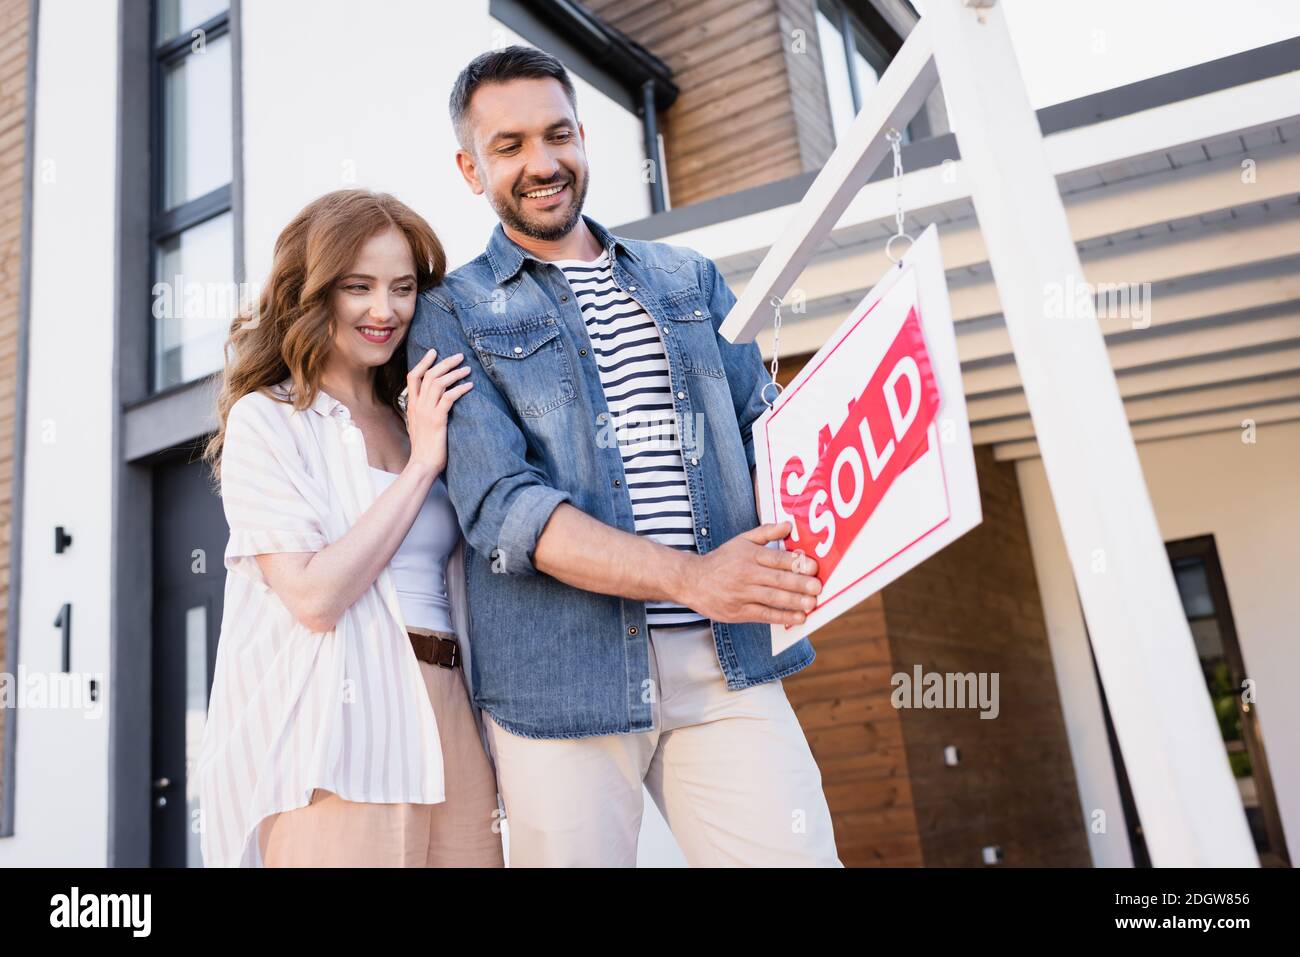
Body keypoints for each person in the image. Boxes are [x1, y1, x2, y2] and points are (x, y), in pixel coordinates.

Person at [408, 46, 842, 867]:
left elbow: (771, 430)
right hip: (562, 689)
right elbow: (505, 510)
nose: (543, 163)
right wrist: (691, 575)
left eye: (558, 134)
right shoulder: (450, 312)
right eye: (509, 147)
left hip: (728, 663)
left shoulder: (690, 279)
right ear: (471, 169)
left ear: (582, 139)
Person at [197, 189, 502, 867]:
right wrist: (423, 464)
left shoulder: (415, 409)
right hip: (343, 715)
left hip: (452, 697)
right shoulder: (268, 420)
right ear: (311, 292)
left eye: (401, 288)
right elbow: (313, 596)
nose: (384, 310)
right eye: (357, 287)